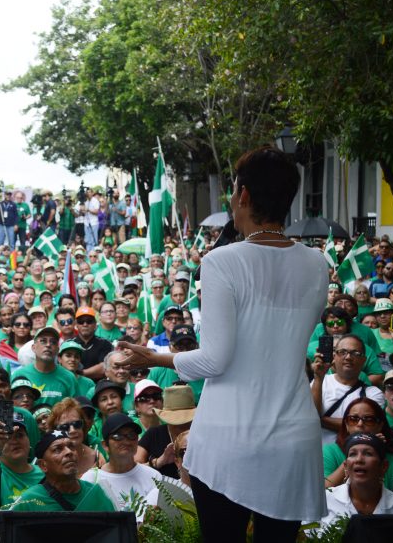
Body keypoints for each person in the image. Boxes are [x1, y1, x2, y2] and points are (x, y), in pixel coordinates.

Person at [116, 146, 329, 541]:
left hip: (232, 434)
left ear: (244, 195)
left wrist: (155, 357)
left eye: (233, 190)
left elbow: (215, 360)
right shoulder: (317, 264)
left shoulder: (222, 261)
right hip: (293, 434)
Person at [321, 397, 393, 489]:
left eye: (369, 420)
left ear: (379, 426)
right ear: (346, 424)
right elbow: (325, 489)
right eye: (353, 419)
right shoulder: (330, 451)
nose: (359, 424)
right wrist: (355, 454)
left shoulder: (388, 456)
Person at [316, 433, 393, 531]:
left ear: (384, 466)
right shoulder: (323, 500)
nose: (359, 459)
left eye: (368, 453)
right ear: (346, 466)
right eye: (353, 454)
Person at [12, 429, 115, 512]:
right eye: (57, 449)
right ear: (43, 465)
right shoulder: (29, 501)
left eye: (71, 447)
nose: (69, 452)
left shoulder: (95, 493)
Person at [81, 412, 161, 518]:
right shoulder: (91, 479)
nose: (126, 441)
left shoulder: (153, 476)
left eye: (131, 435)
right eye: (117, 436)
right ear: (105, 445)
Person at [310, 334, 385, 444]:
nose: (348, 357)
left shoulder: (373, 394)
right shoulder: (319, 382)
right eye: (343, 352)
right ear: (334, 357)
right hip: (314, 451)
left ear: (363, 360)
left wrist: (319, 420)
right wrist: (318, 378)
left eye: (355, 353)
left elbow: (364, 427)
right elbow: (309, 415)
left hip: (351, 457)